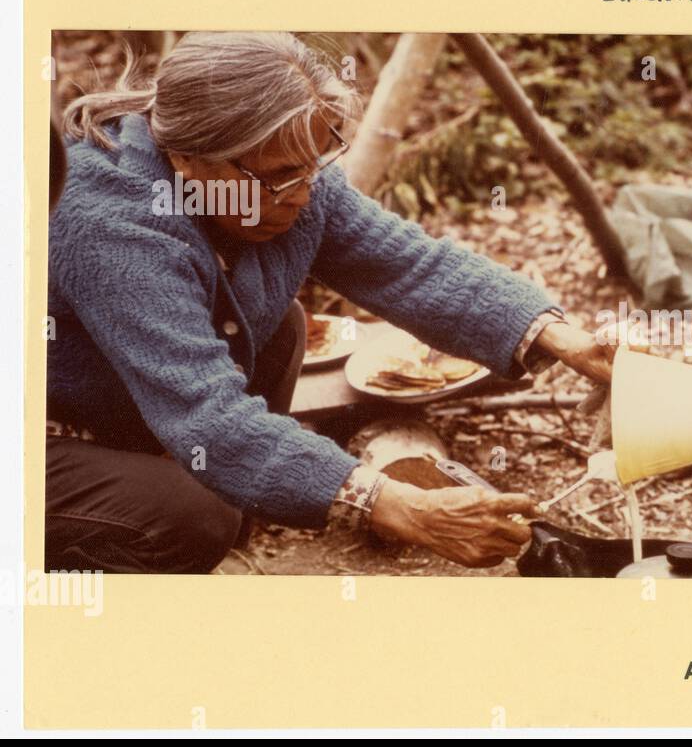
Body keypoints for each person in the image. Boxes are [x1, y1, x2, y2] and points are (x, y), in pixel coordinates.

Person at [46, 31, 615, 574]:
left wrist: (565, 341)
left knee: (281, 328)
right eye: (278, 179)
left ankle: (190, 509)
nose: (302, 194)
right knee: (190, 515)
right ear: (189, 158)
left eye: (312, 167)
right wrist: (393, 504)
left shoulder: (285, 168)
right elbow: (207, 414)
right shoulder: (111, 223)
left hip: (117, 404)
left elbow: (411, 265)